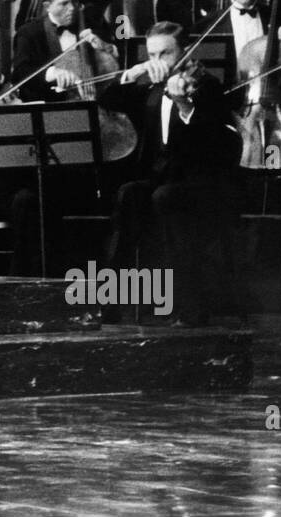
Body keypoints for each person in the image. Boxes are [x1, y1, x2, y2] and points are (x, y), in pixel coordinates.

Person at [103, 22, 242, 325]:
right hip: (161, 179)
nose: (158, 61)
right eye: (152, 54)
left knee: (165, 198)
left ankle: (191, 308)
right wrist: (132, 73)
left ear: (186, 51)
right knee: (128, 194)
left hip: (201, 183)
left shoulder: (207, 86)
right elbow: (109, 99)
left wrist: (183, 103)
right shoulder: (151, 87)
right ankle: (110, 302)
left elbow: (214, 145)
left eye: (165, 53)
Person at [10, 0, 118, 102]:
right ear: (47, 6)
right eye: (64, 3)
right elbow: (20, 73)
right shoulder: (29, 32)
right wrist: (53, 73)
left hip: (97, 101)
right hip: (51, 106)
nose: (72, 8)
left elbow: (118, 54)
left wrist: (106, 46)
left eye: (75, 1)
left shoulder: (92, 23)